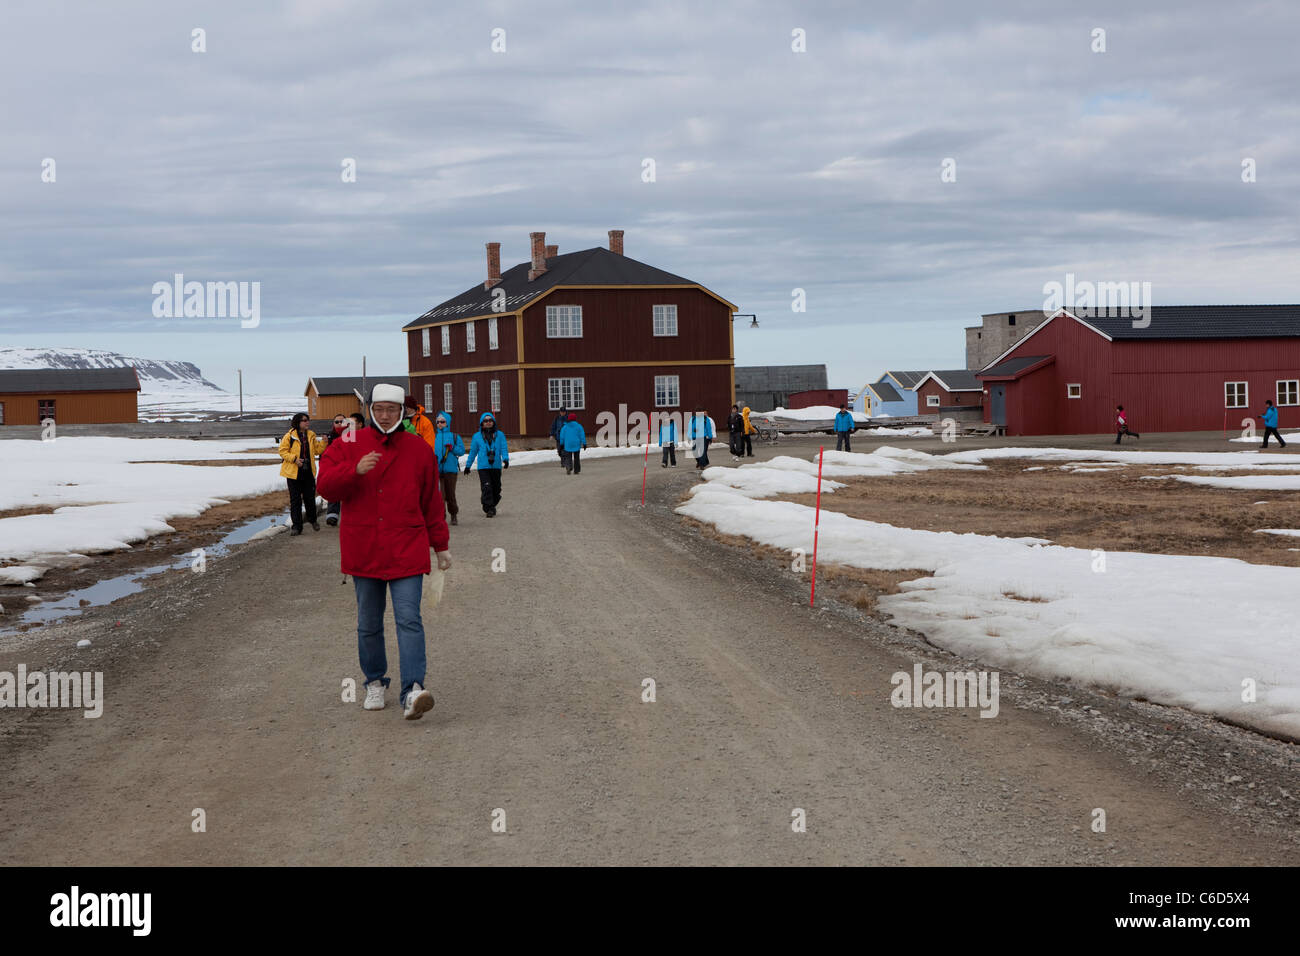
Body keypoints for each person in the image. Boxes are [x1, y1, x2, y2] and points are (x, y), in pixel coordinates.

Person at [316, 383, 452, 720]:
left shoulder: (419, 449)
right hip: (365, 548)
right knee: (369, 623)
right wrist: (355, 470)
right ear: (371, 411)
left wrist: (441, 545)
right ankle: (374, 682)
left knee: (409, 620)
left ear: (402, 411)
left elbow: (432, 502)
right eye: (380, 409)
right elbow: (324, 486)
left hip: (407, 546)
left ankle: (413, 691)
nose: (386, 415)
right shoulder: (348, 443)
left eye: (393, 409)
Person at [278, 412, 328, 535]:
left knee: (309, 498)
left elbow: (317, 451)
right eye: (304, 420)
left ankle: (312, 520)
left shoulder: (311, 435)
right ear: (298, 422)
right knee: (295, 501)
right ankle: (297, 526)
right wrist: (295, 459)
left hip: (308, 472)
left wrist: (324, 443)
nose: (307, 422)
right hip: (293, 473)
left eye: (308, 420)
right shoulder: (289, 436)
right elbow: (282, 451)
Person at [465, 411, 509, 516]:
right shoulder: (477, 436)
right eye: (485, 421)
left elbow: (504, 448)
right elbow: (473, 452)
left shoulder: (500, 435)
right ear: (482, 423)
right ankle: (489, 508)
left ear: (493, 422)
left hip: (496, 466)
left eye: (490, 420)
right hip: (483, 466)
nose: (488, 422)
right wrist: (468, 465)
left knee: (496, 488)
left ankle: (490, 503)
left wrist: (506, 459)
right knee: (487, 487)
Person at [433, 410, 466, 524]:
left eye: (442, 421)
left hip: (451, 470)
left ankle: (453, 514)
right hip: (437, 469)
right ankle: (441, 517)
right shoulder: (434, 436)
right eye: (438, 422)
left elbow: (461, 451)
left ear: (448, 423)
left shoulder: (454, 436)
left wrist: (452, 448)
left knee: (450, 494)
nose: (440, 424)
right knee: (440, 495)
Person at [323, 414, 349, 526]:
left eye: (341, 421)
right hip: (334, 467)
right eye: (336, 422)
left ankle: (351, 516)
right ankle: (332, 515)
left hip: (348, 466)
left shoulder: (350, 434)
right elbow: (324, 453)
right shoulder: (329, 436)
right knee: (334, 489)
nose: (339, 424)